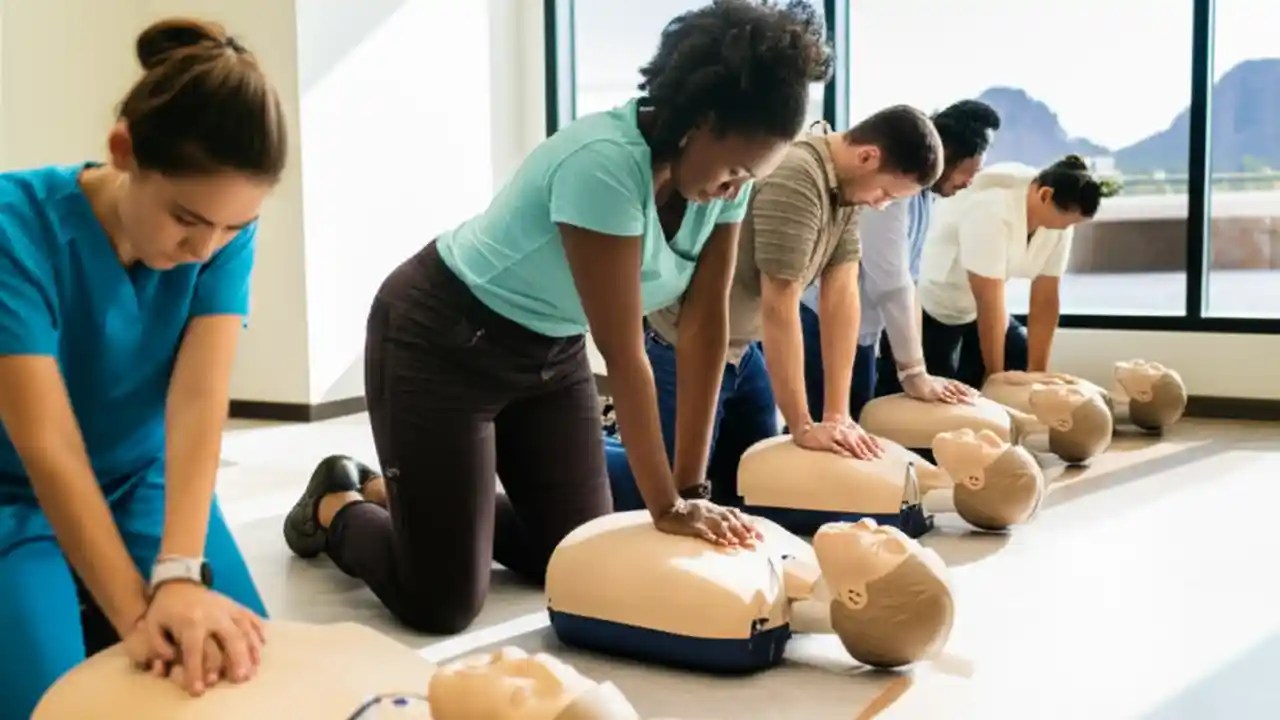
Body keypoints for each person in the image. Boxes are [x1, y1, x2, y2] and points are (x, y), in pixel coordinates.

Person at [284, 0, 834, 635]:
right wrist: (665, 507)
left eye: (752, 177)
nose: (736, 189)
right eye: (736, 170)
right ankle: (337, 504)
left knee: (573, 560)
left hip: (550, 355)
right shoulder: (601, 162)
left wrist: (691, 488)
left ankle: (399, 495)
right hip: (442, 338)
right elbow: (625, 353)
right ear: (698, 121)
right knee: (441, 602)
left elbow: (706, 326)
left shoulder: (718, 190)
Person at [0, 18, 287, 719]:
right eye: (188, 219)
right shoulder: (14, 227)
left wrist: (180, 574)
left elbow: (198, 399)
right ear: (124, 150)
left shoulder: (223, 234)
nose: (206, 248)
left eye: (232, 228)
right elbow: (47, 446)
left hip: (139, 479)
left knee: (246, 668)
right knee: (57, 702)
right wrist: (136, 615)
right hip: (11, 494)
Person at [607, 106, 944, 513]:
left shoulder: (847, 188)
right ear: (868, 156)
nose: (882, 205)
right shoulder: (797, 176)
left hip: (743, 352)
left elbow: (841, 292)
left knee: (751, 484)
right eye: (887, 193)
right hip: (682, 346)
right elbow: (780, 303)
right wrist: (801, 424)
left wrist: (837, 414)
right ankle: (581, 446)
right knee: (654, 495)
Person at [800, 99, 1002, 419]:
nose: (969, 182)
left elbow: (909, 282)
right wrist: (914, 373)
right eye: (969, 171)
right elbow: (891, 282)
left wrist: (916, 366)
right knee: (829, 428)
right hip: (822, 322)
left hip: (862, 329)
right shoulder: (892, 189)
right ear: (947, 154)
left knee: (852, 425)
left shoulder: (923, 197)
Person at [914, 154, 1106, 388]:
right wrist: (996, 376)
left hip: (981, 307)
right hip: (939, 302)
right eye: (1067, 221)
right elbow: (989, 298)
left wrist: (1038, 375)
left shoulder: (1059, 220)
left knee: (1019, 357)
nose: (1068, 228)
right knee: (945, 389)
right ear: (1045, 195)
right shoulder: (991, 208)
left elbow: (1045, 298)